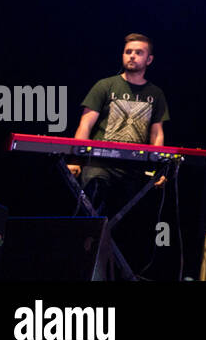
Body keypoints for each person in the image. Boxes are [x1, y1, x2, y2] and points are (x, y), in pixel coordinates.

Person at [67, 33, 170, 214]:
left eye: (138, 52)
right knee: (94, 194)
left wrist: (156, 168)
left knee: (132, 216)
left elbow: (157, 134)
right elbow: (85, 124)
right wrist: (76, 160)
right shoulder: (105, 86)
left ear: (149, 59)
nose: (132, 56)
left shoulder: (156, 94)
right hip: (100, 163)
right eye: (128, 51)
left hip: (134, 168)